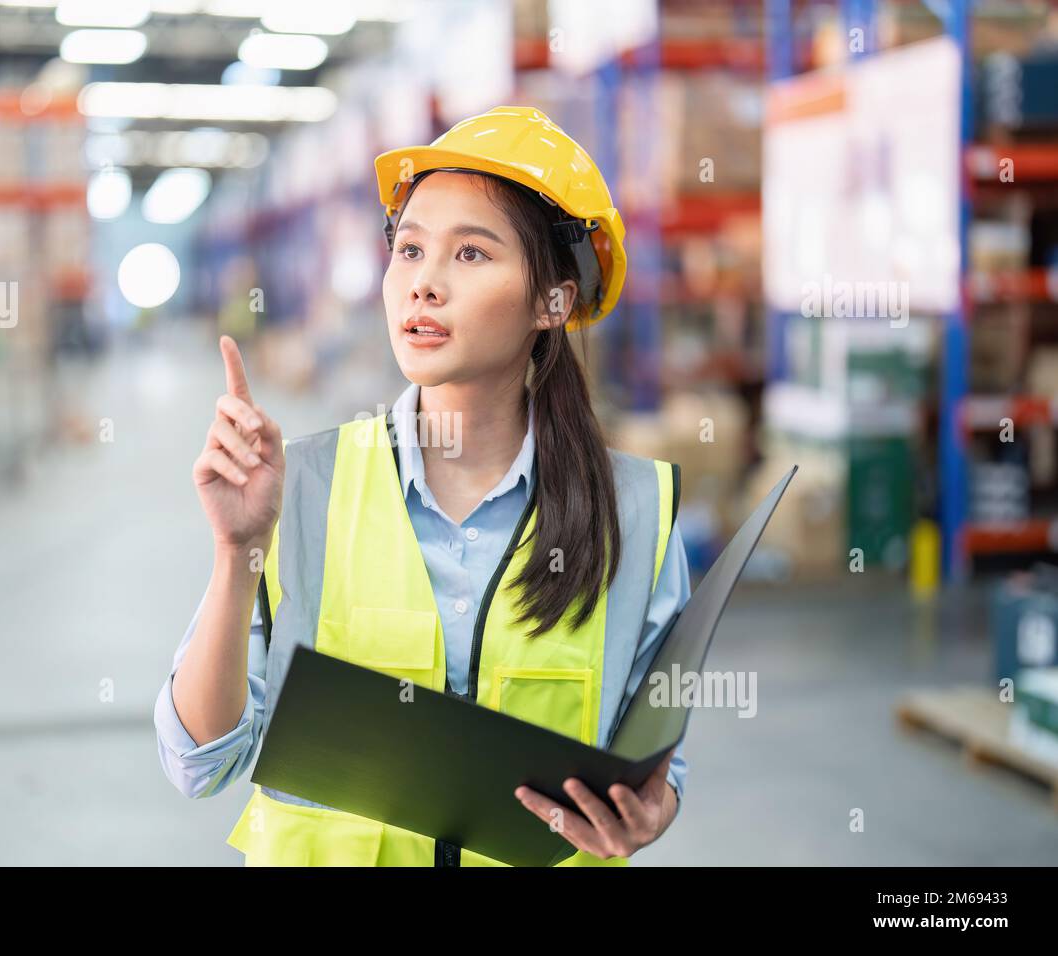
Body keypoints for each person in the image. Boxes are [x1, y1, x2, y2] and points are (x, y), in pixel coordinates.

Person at [154, 105, 692, 867]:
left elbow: (658, 764)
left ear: (554, 302)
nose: (423, 285)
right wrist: (235, 551)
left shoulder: (635, 514)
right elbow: (199, 761)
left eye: (471, 255)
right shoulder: (300, 487)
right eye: (408, 250)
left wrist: (650, 811)